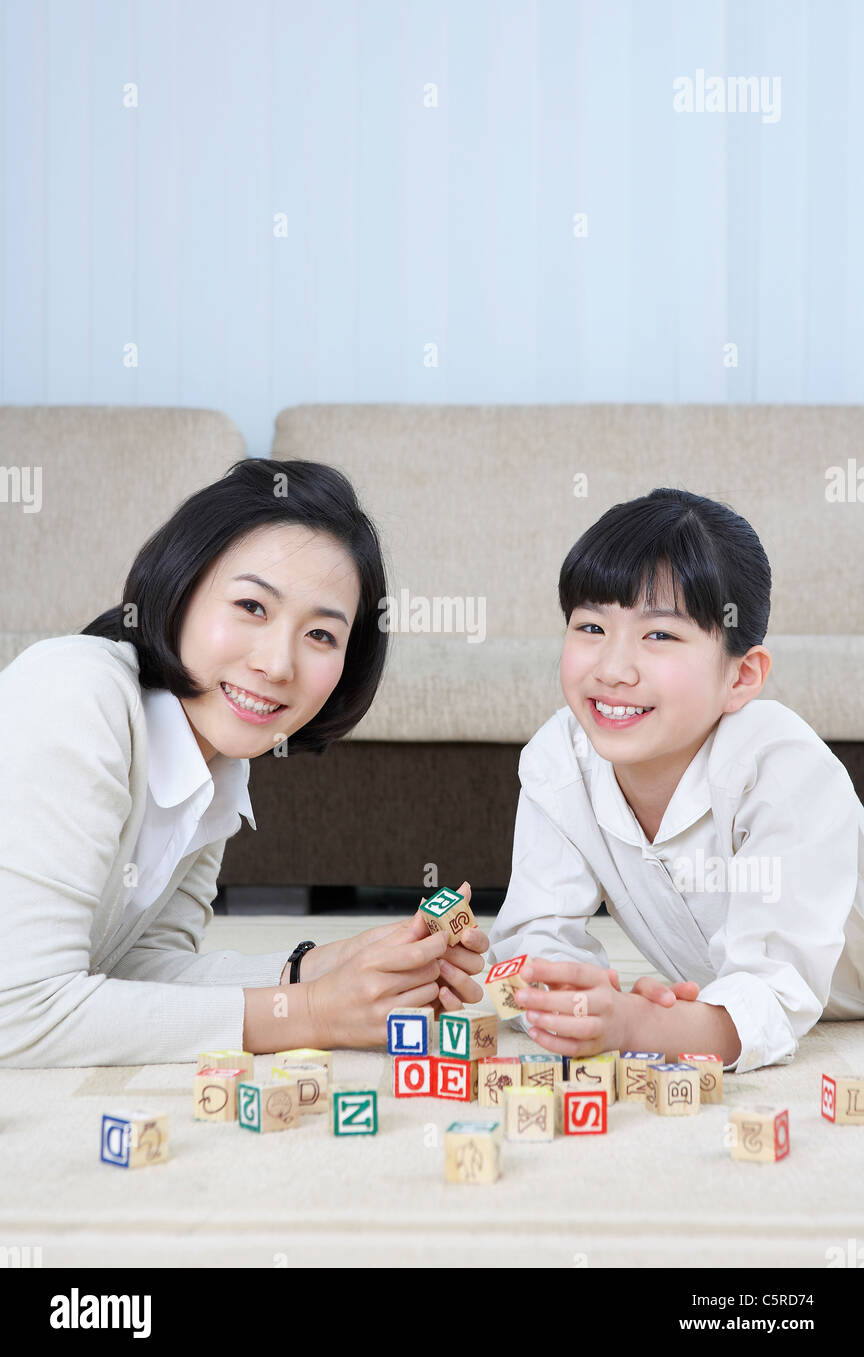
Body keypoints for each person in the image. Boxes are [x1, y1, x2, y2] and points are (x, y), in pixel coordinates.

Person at [0, 458, 487, 1068]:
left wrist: (328, 965)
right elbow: (15, 1011)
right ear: (180, 587)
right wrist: (313, 1013)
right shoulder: (75, 694)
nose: (278, 664)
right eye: (253, 607)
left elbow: (138, 971)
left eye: (321, 636)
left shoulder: (220, 761)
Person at [487, 487, 864, 1072]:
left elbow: (776, 993)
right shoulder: (559, 760)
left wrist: (644, 1026)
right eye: (590, 627)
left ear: (741, 676)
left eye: (659, 635)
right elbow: (534, 936)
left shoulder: (780, 766)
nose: (613, 669)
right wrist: (565, 997)